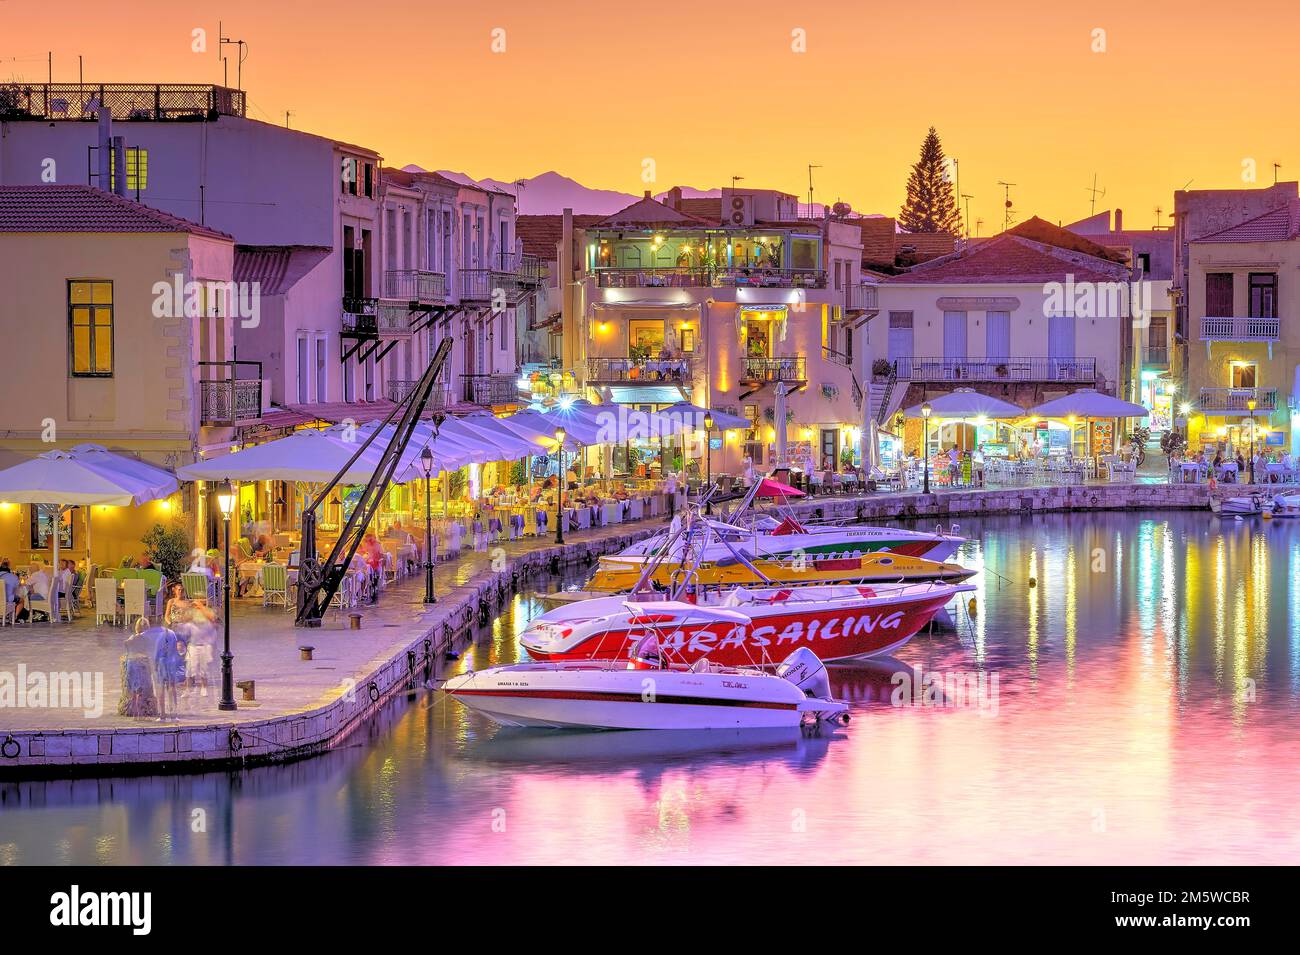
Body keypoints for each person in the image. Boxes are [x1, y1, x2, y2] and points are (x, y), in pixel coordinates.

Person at [0, 558, 24, 623]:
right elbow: (18, 587)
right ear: (9, 567)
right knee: (21, 600)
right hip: (8, 599)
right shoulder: (13, 577)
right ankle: (14, 617)